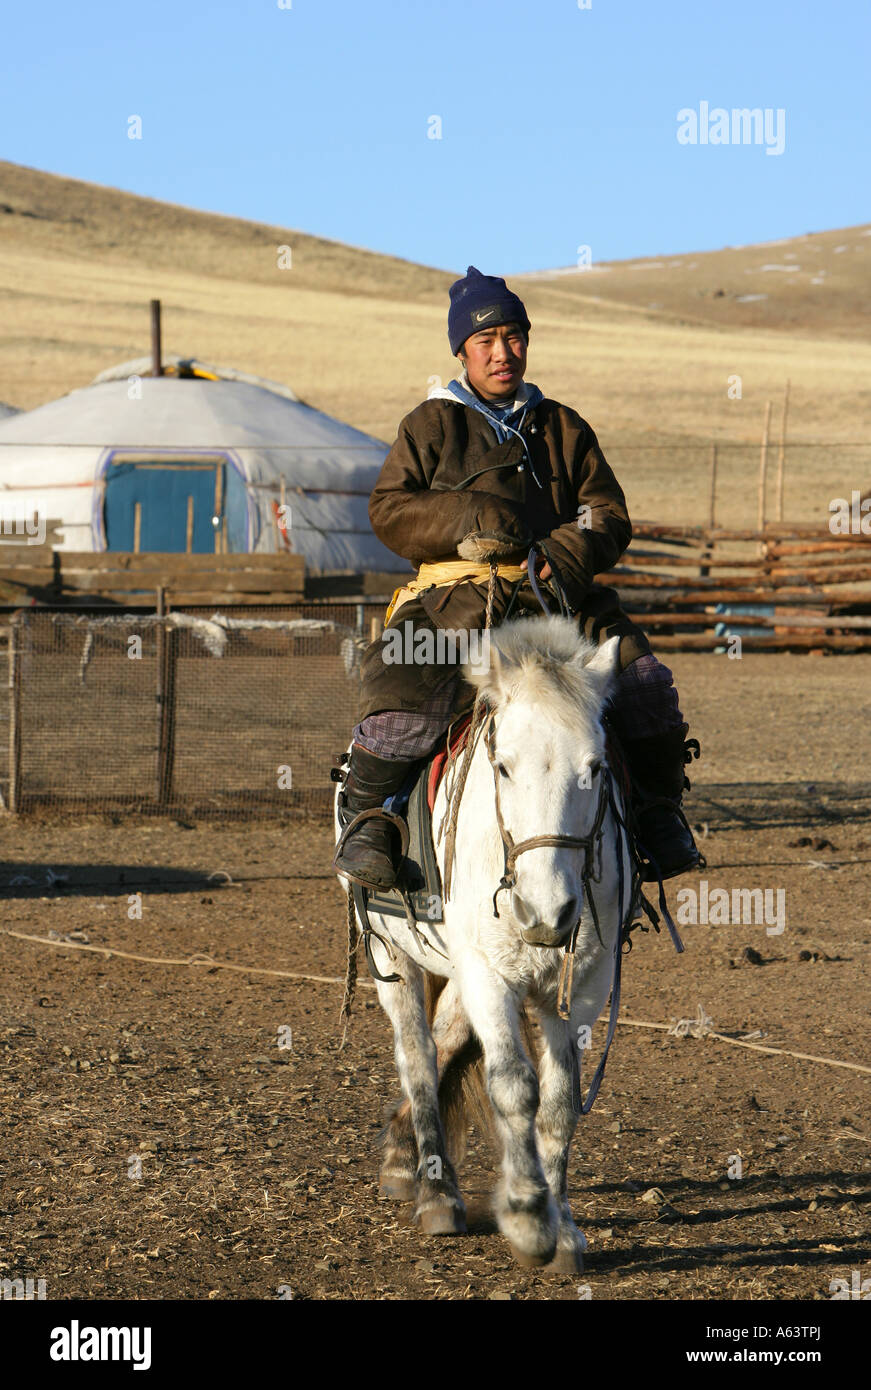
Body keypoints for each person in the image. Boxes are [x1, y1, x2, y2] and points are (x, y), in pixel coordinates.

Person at [334, 266, 701, 891]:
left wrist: (570, 546)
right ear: (461, 351)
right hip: (460, 599)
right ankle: (372, 819)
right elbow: (389, 511)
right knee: (405, 687)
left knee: (643, 682)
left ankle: (657, 814)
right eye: (486, 341)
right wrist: (471, 516)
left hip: (559, 598)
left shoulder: (562, 427)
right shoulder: (431, 425)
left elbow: (606, 511)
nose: (503, 353)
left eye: (514, 337)